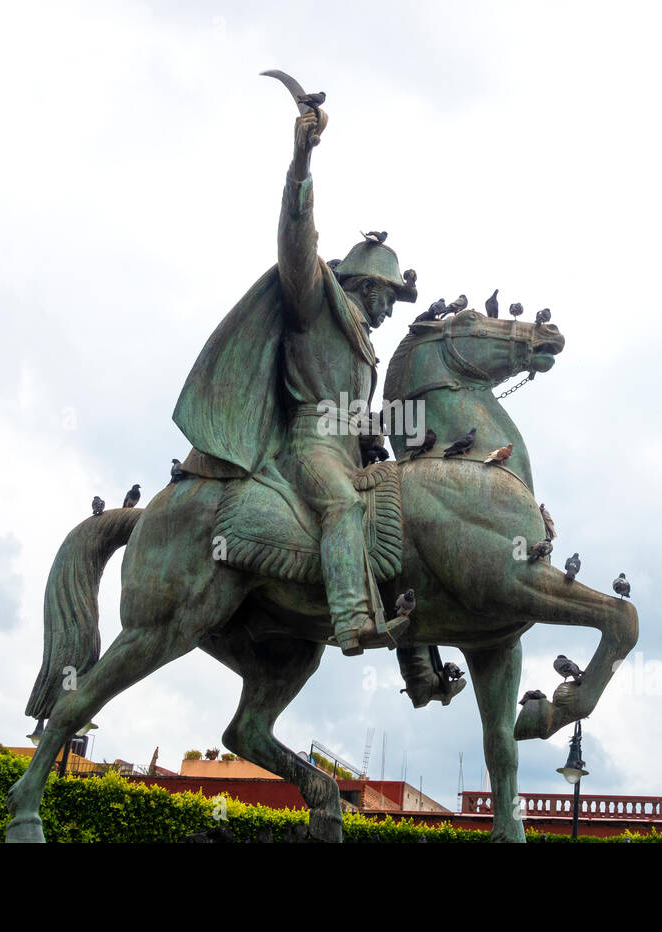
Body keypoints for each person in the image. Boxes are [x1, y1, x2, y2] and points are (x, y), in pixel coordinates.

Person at [173, 105, 415, 655]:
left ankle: (419, 663)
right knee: (343, 507)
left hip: (350, 449)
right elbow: (296, 242)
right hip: (312, 446)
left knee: (412, 521)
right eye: (388, 297)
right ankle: (354, 619)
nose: (390, 310)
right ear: (368, 285)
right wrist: (301, 163)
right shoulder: (316, 302)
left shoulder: (363, 342)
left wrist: (376, 433)